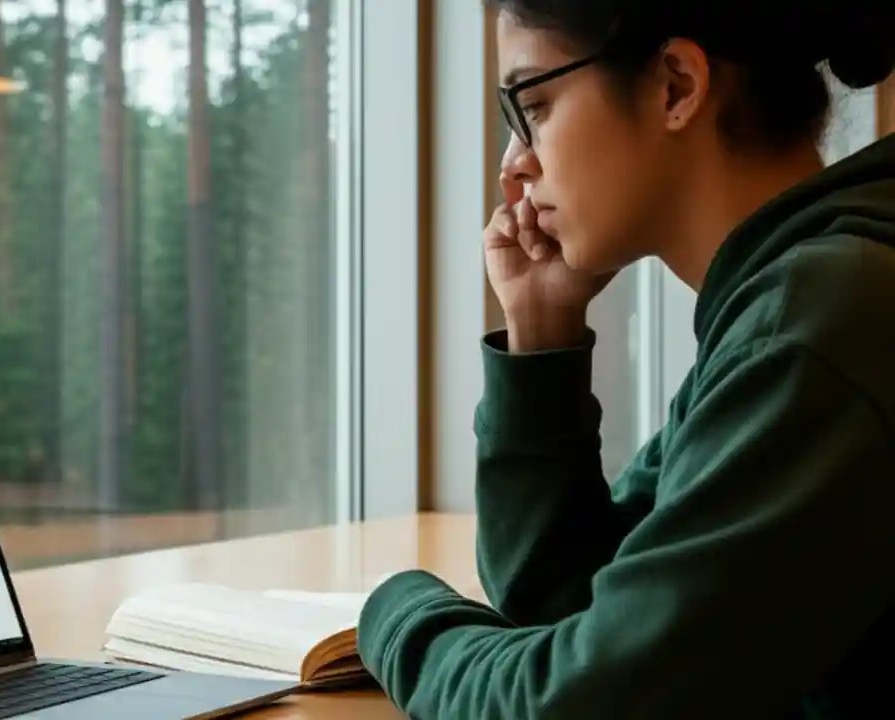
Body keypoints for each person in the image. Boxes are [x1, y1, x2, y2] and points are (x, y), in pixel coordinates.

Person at [355, 2, 895, 718]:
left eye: (534, 105)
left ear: (676, 84)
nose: (514, 168)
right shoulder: (792, 304)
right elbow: (577, 605)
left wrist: (395, 613)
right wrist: (542, 334)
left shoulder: (820, 325)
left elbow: (577, 705)